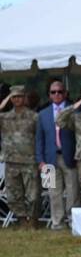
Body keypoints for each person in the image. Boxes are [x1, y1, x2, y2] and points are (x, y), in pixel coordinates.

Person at [35, 79, 79, 228]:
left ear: (65, 93)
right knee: (53, 193)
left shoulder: (74, 110)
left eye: (60, 91)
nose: (57, 94)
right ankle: (57, 222)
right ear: (49, 95)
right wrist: (40, 160)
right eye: (53, 92)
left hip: (70, 157)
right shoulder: (42, 114)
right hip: (49, 159)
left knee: (73, 191)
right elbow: (39, 140)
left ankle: (73, 221)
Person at [0, 86, 39, 228]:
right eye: (14, 97)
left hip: (29, 160)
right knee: (13, 194)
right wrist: (4, 101)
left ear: (24, 98)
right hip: (11, 161)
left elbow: (40, 137)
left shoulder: (34, 116)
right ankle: (22, 220)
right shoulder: (5, 117)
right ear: (10, 99)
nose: (17, 100)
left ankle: (33, 220)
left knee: (33, 194)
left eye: (19, 96)